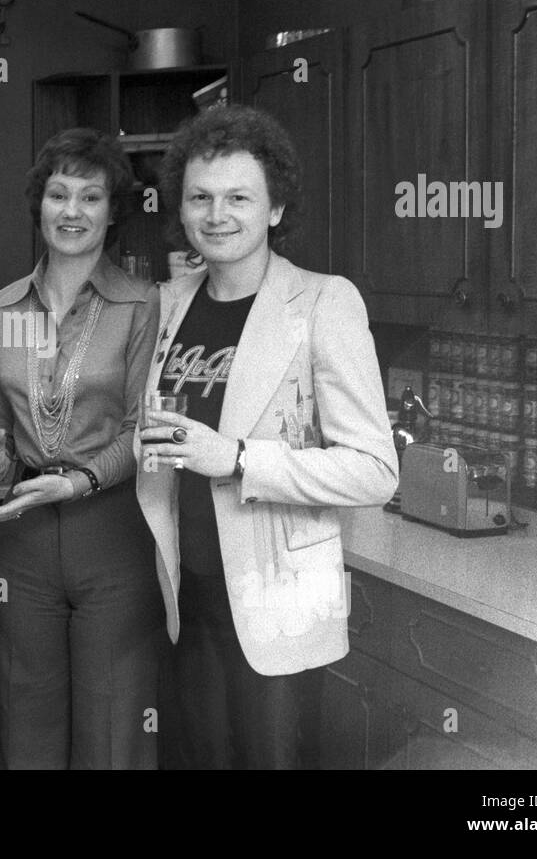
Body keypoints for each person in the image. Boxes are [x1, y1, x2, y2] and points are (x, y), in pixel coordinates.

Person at [135, 104, 398, 769]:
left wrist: (240, 459)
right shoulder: (169, 302)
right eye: (200, 197)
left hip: (277, 597)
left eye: (238, 198)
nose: (216, 214)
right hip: (185, 594)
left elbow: (374, 469)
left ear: (275, 208)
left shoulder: (322, 303)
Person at [0, 128, 163, 769]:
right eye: (58, 194)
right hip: (21, 538)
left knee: (114, 729)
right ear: (40, 204)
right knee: (26, 725)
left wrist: (77, 483)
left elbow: (145, 428)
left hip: (115, 534)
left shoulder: (143, 307)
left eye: (90, 196)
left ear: (113, 212)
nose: (72, 211)